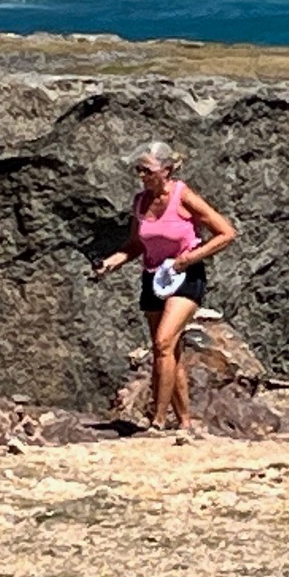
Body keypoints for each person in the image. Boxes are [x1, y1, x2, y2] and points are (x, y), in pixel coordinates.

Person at [92, 141, 237, 434]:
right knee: (171, 352)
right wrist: (110, 263)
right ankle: (184, 422)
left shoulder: (183, 196)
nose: (142, 176)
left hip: (185, 275)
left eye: (147, 170)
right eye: (138, 170)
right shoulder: (141, 202)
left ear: (166, 170)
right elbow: (134, 245)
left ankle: (157, 420)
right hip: (153, 277)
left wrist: (189, 257)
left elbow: (226, 233)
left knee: (162, 343)